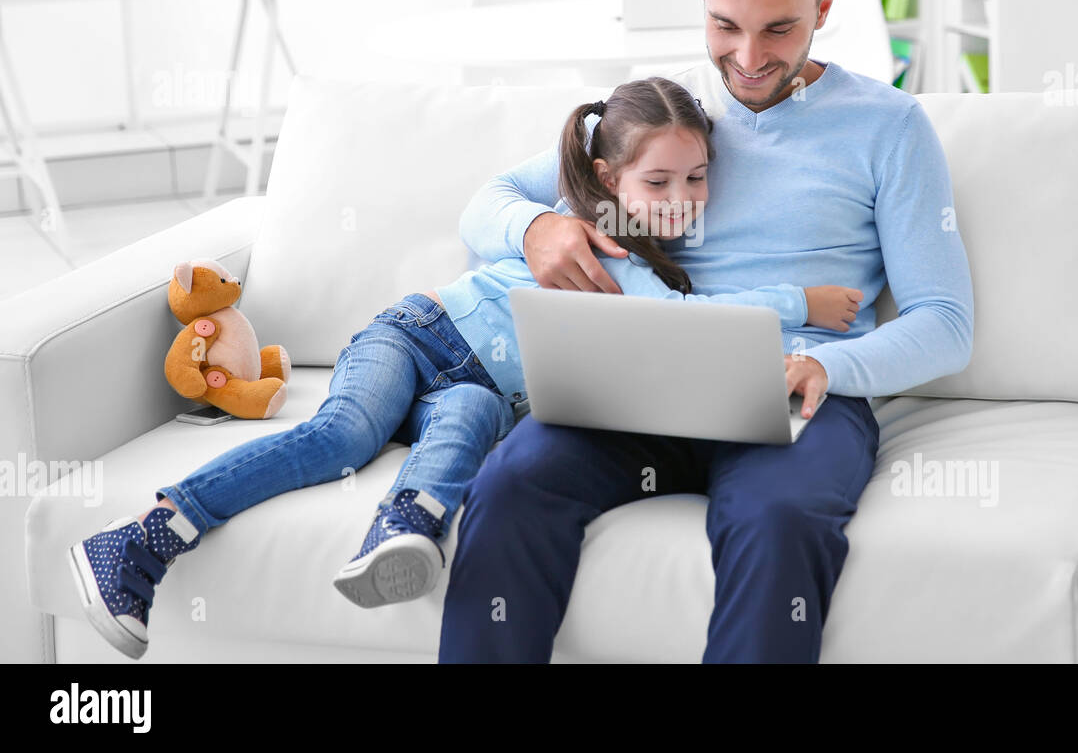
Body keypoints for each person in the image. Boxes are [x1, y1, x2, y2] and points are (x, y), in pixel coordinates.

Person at [67, 76, 865, 660]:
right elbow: (484, 212)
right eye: (657, 182)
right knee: (344, 434)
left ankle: (403, 526)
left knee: (472, 431)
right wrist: (801, 299)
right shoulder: (572, 225)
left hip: (482, 389)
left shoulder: (648, 273)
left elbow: (690, 325)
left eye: (697, 180)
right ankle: (145, 537)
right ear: (607, 178)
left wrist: (798, 309)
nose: (682, 198)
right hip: (419, 334)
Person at [438, 0, 975, 663]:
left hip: (796, 394)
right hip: (633, 386)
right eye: (726, 25)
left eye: (778, 29)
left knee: (779, 520)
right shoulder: (663, 109)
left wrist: (829, 362)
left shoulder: (889, 128)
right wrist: (537, 227)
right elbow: (485, 202)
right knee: (510, 485)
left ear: (824, 5)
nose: (749, 57)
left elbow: (946, 320)